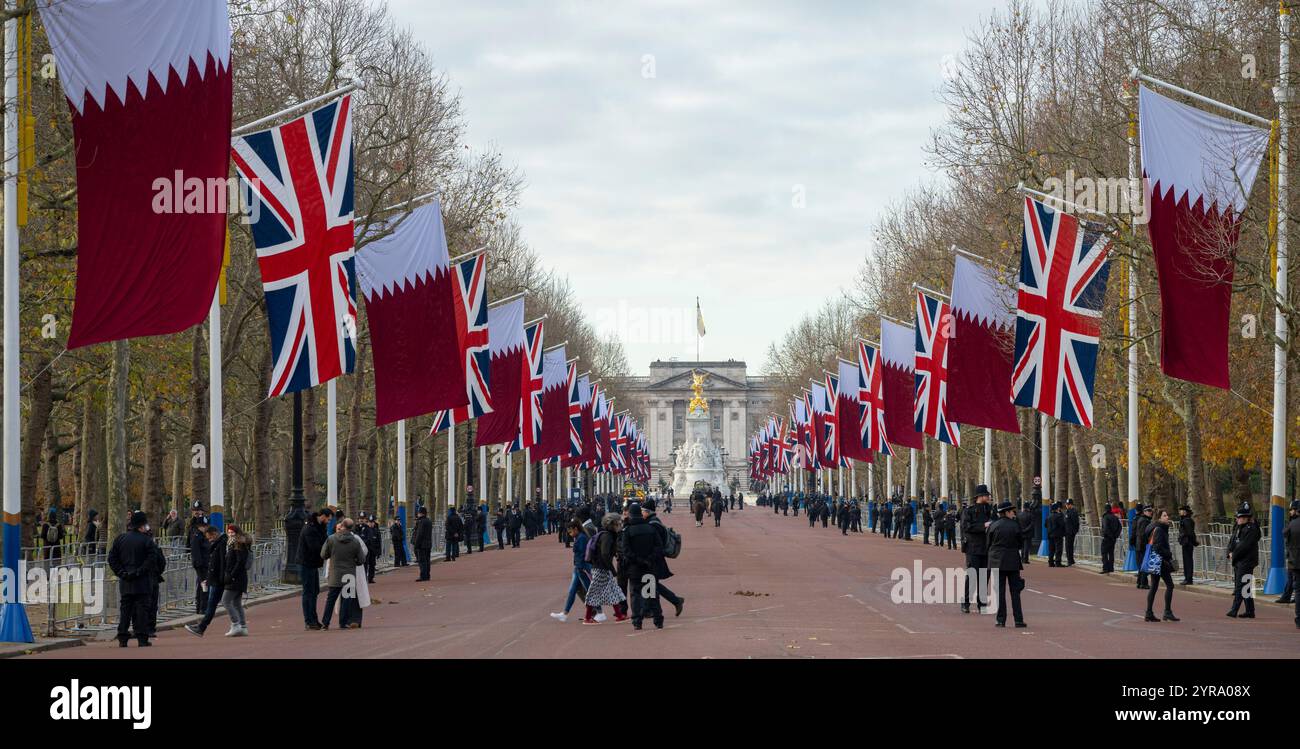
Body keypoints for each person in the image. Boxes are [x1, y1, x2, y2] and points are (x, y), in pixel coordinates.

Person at [107, 511, 158, 647]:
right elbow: (151, 559)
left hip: (125, 581)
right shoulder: (147, 540)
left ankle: (123, 636)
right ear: (142, 525)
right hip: (142, 581)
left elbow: (112, 558)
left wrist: (121, 572)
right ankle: (142, 637)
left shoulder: (120, 539)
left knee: (125, 610)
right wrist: (139, 572)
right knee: (142, 610)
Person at [622, 502, 665, 630]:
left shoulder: (628, 530)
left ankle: (637, 621)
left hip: (634, 567)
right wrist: (649, 559)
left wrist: (638, 560)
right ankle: (658, 619)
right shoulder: (650, 528)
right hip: (649, 566)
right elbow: (658, 547)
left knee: (635, 594)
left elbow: (626, 550)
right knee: (652, 593)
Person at [582, 513, 629, 624]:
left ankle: (619, 615)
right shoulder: (607, 536)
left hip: (601, 567)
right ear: (612, 524)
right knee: (595, 592)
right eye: (618, 523)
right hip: (600, 568)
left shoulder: (608, 535)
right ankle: (588, 617)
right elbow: (605, 554)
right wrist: (612, 569)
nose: (620, 525)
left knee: (613, 589)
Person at [321, 518, 366, 629]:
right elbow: (361, 560)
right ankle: (343, 622)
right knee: (347, 600)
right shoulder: (355, 541)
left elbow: (323, 555)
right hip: (349, 574)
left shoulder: (331, 539)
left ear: (341, 526)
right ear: (351, 528)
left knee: (331, 600)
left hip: (335, 573)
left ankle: (325, 623)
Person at [988, 501, 1027, 628]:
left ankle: (1000, 619)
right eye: (1011, 511)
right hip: (1012, 561)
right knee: (1015, 591)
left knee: (999, 592)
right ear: (1007, 512)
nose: (1013, 514)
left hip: (997, 561)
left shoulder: (993, 526)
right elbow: (1020, 542)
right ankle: (1018, 619)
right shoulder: (1015, 525)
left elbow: (988, 544)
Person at [643, 499, 684, 616]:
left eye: (643, 511)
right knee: (651, 583)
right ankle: (675, 601)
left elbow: (656, 544)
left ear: (647, 511)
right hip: (655, 558)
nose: (641, 513)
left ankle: (673, 601)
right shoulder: (654, 521)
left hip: (654, 559)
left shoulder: (653, 524)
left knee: (650, 583)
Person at [185, 525, 226, 637]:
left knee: (225, 604)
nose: (209, 540)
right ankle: (201, 627)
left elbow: (221, 563)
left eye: (209, 538)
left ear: (214, 534)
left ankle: (239, 624)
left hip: (219, 580)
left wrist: (220, 579)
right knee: (219, 604)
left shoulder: (221, 544)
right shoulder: (218, 543)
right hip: (216, 579)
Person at [1142, 508, 1179, 622]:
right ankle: (1167, 612)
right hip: (1160, 562)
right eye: (1164, 515)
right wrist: (1168, 554)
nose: (1167, 517)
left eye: (1167, 515)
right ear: (1159, 518)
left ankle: (1149, 612)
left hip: (1156, 562)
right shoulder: (1159, 529)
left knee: (1154, 586)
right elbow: (1158, 547)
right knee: (1170, 585)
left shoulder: (1156, 528)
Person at [550, 521, 592, 622]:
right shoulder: (580, 537)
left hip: (581, 567)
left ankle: (598, 611)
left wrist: (580, 567)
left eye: (570, 532)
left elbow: (581, 554)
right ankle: (565, 613)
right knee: (573, 590)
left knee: (588, 590)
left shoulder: (581, 538)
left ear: (575, 529)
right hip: (579, 567)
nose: (569, 534)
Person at [960, 486, 993, 613]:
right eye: (986, 495)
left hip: (986, 547)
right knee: (972, 576)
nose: (989, 498)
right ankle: (966, 602)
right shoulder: (969, 511)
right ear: (980, 496)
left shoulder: (990, 510)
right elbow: (966, 527)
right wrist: (983, 526)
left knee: (985, 576)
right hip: (973, 547)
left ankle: (982, 603)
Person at [1226, 507, 1261, 619]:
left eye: (1239, 517)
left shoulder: (1251, 529)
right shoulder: (1238, 528)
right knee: (1246, 586)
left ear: (1246, 518)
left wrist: (1234, 554)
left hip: (1246, 560)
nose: (1237, 519)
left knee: (1240, 585)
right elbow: (1232, 541)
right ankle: (1250, 610)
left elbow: (1244, 546)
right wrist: (1229, 552)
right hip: (1239, 560)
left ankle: (1234, 609)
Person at [299, 508, 331, 629]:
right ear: (323, 516)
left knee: (314, 591)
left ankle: (314, 619)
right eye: (328, 519)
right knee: (308, 593)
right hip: (307, 563)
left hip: (313, 564)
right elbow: (315, 547)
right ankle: (309, 620)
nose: (328, 521)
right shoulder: (310, 528)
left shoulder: (319, 527)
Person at [221, 525, 252, 637]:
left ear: (237, 533)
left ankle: (236, 624)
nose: (230, 534)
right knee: (236, 603)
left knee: (225, 601)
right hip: (238, 578)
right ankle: (243, 626)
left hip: (236, 578)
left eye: (232, 532)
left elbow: (239, 563)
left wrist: (231, 576)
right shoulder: (233, 544)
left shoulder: (238, 544)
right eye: (229, 532)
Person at [1283, 500, 1300, 628]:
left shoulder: (1292, 524)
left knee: (1298, 591)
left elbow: (1284, 533)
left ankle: (1299, 618)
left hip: (1295, 562)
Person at [1133, 505, 1153, 589]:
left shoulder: (1142, 519)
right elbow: (1143, 534)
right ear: (1144, 512)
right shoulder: (1145, 521)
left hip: (1140, 545)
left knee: (1141, 565)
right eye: (1148, 511)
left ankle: (1140, 582)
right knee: (1144, 564)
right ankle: (1143, 583)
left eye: (1150, 511)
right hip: (1143, 545)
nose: (1150, 512)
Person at [1176, 505, 1197, 586]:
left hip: (1187, 543)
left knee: (1188, 561)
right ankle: (1187, 578)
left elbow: (1190, 533)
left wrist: (1193, 542)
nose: (1179, 512)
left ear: (1185, 512)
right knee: (1187, 560)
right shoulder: (1185, 520)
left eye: (1181, 510)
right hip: (1186, 542)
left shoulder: (1187, 521)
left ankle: (1188, 578)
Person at [1100, 501, 1121, 574]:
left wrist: (1110, 535)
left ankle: (1105, 568)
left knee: (1104, 552)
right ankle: (1111, 568)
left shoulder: (1105, 517)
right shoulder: (1115, 517)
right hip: (1113, 538)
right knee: (1111, 553)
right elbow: (1120, 527)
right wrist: (1116, 535)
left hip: (1107, 538)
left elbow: (1106, 528)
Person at [412, 507, 433, 581]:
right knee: (427, 560)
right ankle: (427, 575)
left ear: (420, 513)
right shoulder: (429, 521)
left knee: (422, 561)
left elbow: (419, 534)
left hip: (421, 544)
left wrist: (416, 544)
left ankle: (423, 576)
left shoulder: (421, 522)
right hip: (428, 543)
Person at [1045, 502, 1066, 567]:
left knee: (1051, 549)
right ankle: (1058, 562)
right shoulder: (1059, 516)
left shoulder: (1048, 516)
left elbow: (1045, 525)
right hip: (1058, 535)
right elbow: (1062, 525)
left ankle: (1050, 562)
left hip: (1050, 535)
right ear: (1057, 509)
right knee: (1058, 549)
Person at [1063, 499, 1080, 566]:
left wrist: (1074, 531)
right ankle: (1070, 560)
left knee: (1069, 546)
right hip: (1067, 531)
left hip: (1070, 532)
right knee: (1069, 546)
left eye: (1068, 504)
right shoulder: (1067, 511)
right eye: (1066, 504)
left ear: (1071, 504)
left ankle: (1070, 560)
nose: (1066, 505)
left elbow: (1075, 523)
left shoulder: (1073, 511)